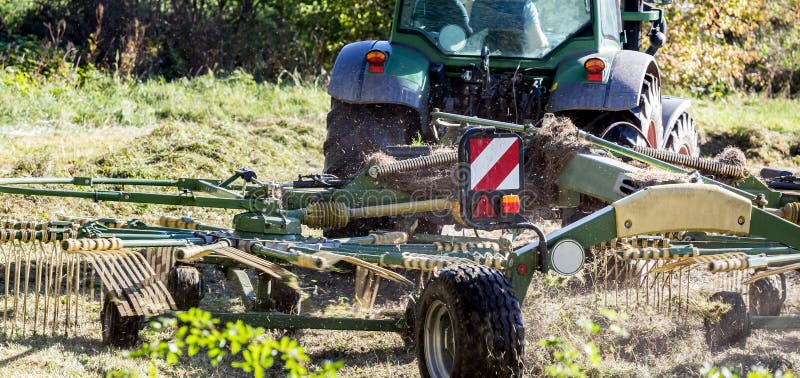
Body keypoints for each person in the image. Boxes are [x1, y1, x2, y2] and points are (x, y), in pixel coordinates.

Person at [469, 0, 549, 54]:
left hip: (481, 63)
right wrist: (545, 40)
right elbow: (538, 43)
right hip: (515, 66)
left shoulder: (477, 4)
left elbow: (472, 43)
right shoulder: (526, 5)